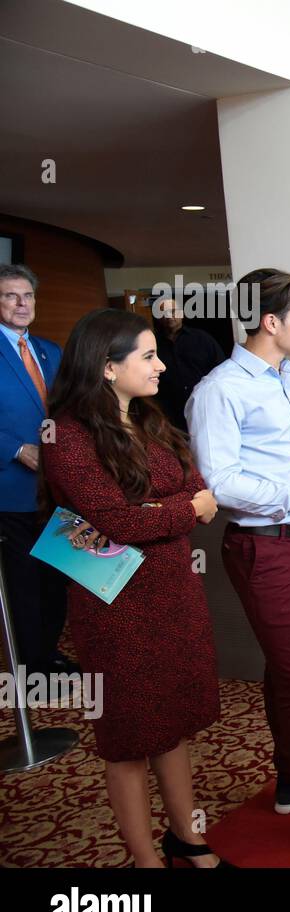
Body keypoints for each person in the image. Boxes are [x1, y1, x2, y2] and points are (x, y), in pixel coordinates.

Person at [42, 308, 225, 868]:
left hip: (173, 593)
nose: (161, 365)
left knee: (172, 726)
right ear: (105, 366)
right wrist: (176, 510)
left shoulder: (149, 419)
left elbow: (200, 490)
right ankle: (144, 862)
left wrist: (160, 510)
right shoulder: (66, 436)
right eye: (147, 355)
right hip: (114, 607)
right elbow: (117, 522)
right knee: (127, 738)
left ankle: (186, 840)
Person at [186, 269, 290, 869]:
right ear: (271, 321)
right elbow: (222, 481)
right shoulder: (220, 390)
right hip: (266, 548)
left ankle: (289, 779)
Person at [0, 264, 73, 681]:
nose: (21, 303)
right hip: (12, 491)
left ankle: (49, 656)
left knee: (57, 576)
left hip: (56, 487)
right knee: (24, 585)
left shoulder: (50, 350)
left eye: (27, 295)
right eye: (11, 296)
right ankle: (33, 671)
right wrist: (14, 448)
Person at [150, 297, 225, 432]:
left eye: (173, 311)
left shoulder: (202, 339)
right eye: (164, 313)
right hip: (169, 416)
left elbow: (222, 371)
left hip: (204, 409)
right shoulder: (152, 344)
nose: (169, 316)